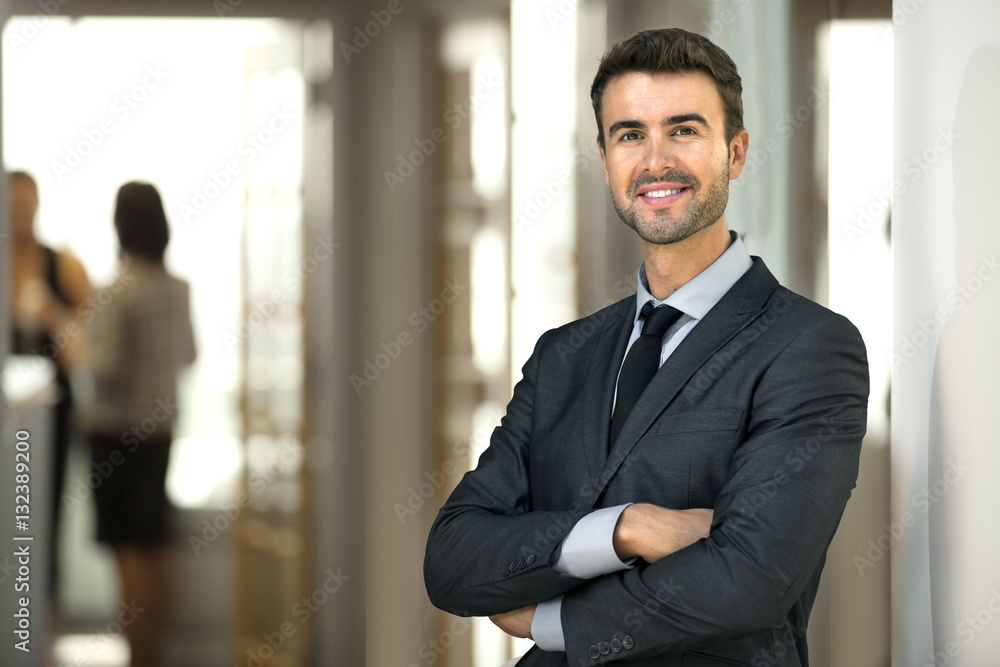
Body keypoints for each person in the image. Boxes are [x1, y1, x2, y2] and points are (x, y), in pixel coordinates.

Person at [424, 28, 869, 666]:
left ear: (736, 153)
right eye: (631, 134)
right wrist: (629, 527)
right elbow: (454, 559)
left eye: (684, 130)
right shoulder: (564, 356)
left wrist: (552, 619)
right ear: (606, 159)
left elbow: (751, 579)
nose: (655, 160)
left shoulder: (810, 348)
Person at [84, 181, 196, 667]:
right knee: (154, 543)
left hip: (116, 433)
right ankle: (157, 654)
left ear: (119, 225)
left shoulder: (117, 292)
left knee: (127, 549)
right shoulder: (178, 289)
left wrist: (69, 338)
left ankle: (138, 657)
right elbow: (191, 355)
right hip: (161, 431)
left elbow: (102, 369)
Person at [7, 170, 92, 606]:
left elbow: (92, 343)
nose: (22, 215)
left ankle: (43, 616)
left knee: (44, 512)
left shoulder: (64, 264)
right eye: (14, 206)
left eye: (28, 205)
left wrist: (53, 317)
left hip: (49, 414)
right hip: (7, 416)